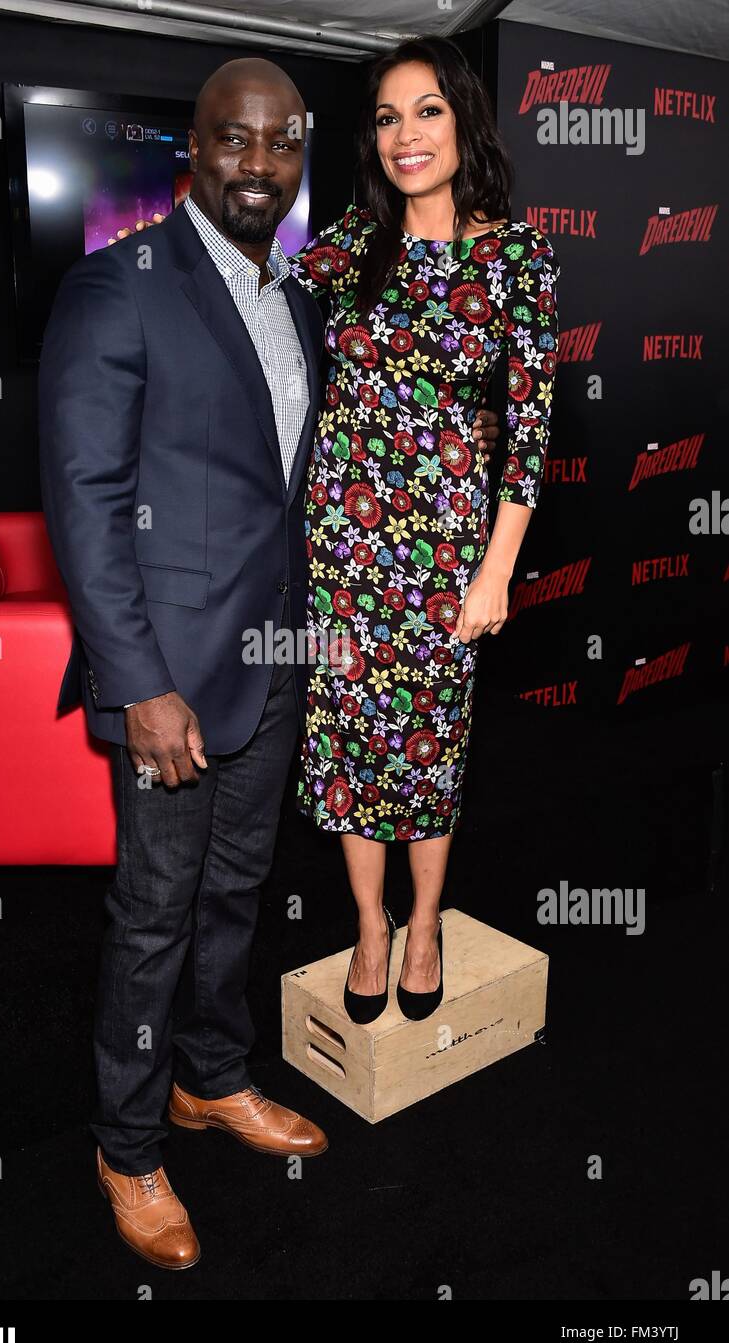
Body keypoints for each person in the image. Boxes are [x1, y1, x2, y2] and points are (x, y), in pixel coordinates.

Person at [40, 52, 502, 1270]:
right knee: (153, 915)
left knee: (237, 894)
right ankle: (128, 1147)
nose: (257, 163)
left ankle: (210, 1079)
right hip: (171, 683)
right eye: (233, 140)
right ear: (193, 148)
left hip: (277, 661)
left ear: (301, 157)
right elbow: (86, 502)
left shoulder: (299, 297)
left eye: (281, 143)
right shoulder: (116, 286)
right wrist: (137, 682)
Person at [286, 36, 561, 1025]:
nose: (406, 133)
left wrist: (497, 572)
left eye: (428, 110)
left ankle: (427, 920)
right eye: (389, 116)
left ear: (465, 121)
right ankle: (367, 923)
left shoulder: (516, 256)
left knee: (427, 751)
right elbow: (255, 319)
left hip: (444, 556)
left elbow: (526, 429)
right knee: (350, 748)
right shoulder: (350, 244)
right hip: (339, 553)